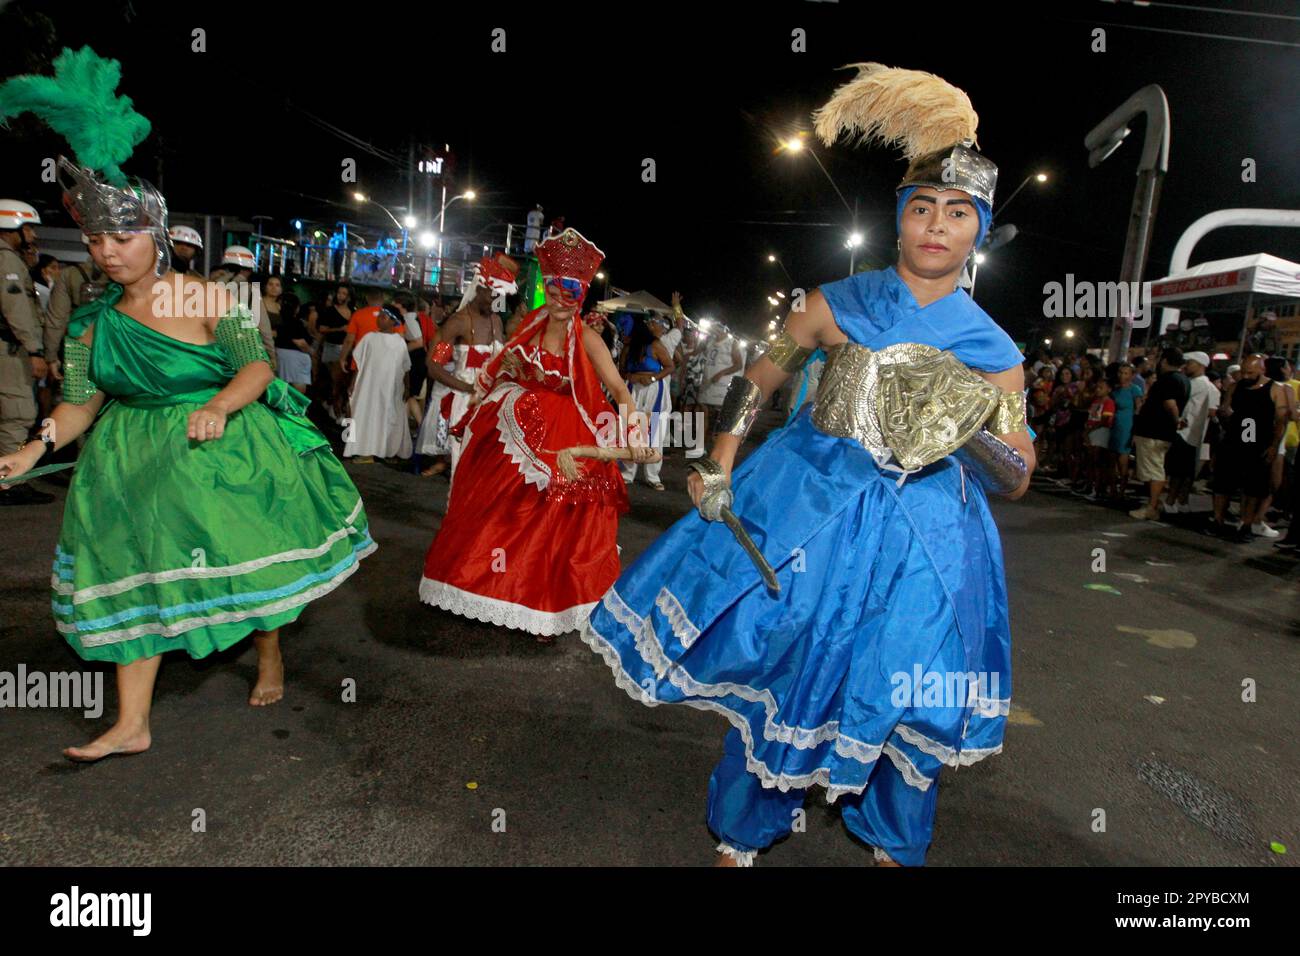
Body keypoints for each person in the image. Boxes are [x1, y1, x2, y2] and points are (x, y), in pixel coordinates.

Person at [581, 63, 1034, 866]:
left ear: (978, 231)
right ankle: (746, 827)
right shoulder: (832, 303)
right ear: (898, 220)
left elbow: (1019, 471)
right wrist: (719, 464)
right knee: (790, 660)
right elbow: (757, 383)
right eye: (921, 207)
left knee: (905, 680)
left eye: (957, 213)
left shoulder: (995, 350)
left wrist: (960, 428)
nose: (936, 224)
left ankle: (892, 837)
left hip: (930, 534)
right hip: (812, 504)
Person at [0, 52, 375, 760]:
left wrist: (223, 407)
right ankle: (131, 724)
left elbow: (258, 366)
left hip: (218, 445)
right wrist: (36, 445)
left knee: (243, 563)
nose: (106, 253)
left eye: (122, 237)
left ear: (157, 234)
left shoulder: (208, 297)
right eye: (94, 240)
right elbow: (80, 404)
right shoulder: (89, 321)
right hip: (125, 461)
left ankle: (269, 653)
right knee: (124, 574)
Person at [419, 228, 651, 641]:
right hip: (518, 421)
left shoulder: (590, 338)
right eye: (555, 291)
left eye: (571, 293)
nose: (561, 300)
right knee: (504, 510)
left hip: (569, 428)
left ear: (580, 297)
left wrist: (632, 430)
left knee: (556, 517)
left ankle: (549, 608)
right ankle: (495, 589)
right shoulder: (527, 326)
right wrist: (476, 406)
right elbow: (502, 366)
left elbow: (617, 389)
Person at [423, 254, 515, 477]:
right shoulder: (458, 322)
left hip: (491, 404)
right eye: (494, 295)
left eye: (500, 297)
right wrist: (469, 389)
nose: (497, 302)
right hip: (464, 404)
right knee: (462, 467)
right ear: (481, 288)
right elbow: (433, 366)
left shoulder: (496, 320)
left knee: (486, 471)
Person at [0, 198, 51, 505]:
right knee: (18, 414)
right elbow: (16, 308)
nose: (32, 235)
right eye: (28, 228)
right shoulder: (7, 260)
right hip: (9, 349)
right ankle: (11, 483)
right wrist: (34, 350)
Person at [1210, 355, 1288, 539]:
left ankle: (1246, 523)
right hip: (1234, 441)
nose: (1245, 376)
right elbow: (1225, 408)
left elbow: (1281, 420)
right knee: (1223, 483)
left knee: (1254, 487)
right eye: (1243, 372)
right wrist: (1226, 416)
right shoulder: (1237, 386)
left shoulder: (1275, 389)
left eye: (1250, 372)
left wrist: (1274, 446)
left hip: (1258, 443)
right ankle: (1218, 520)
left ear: (1262, 370)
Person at [343, 306, 411, 463]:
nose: (379, 318)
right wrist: (353, 383)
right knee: (363, 414)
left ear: (393, 322)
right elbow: (359, 363)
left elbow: (406, 367)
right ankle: (364, 451)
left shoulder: (399, 342)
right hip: (367, 387)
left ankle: (386, 450)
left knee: (388, 417)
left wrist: (407, 387)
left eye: (383, 316)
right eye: (379, 315)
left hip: (390, 388)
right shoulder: (369, 338)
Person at [1128, 348, 1188, 521]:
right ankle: (1154, 503)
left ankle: (1151, 507)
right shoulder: (1183, 380)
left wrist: (1176, 419)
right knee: (1152, 469)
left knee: (1155, 470)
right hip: (1160, 431)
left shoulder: (1167, 380)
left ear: (1164, 361)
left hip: (1155, 431)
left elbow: (1170, 404)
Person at [620, 313, 676, 490]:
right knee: (631, 429)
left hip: (654, 391)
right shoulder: (628, 348)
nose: (624, 335)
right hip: (633, 390)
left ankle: (652, 476)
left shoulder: (655, 345)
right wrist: (631, 376)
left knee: (655, 430)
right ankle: (628, 473)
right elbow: (621, 371)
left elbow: (670, 366)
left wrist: (652, 378)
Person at [1163, 351, 1218, 514]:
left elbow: (1211, 412)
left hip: (1185, 432)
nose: (1186, 366)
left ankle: (1170, 502)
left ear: (1201, 365)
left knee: (1178, 472)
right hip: (1194, 434)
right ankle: (1181, 502)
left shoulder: (1196, 384)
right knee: (1186, 473)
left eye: (1190, 363)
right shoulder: (1209, 386)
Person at [1107, 362, 1143, 501]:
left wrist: (1136, 430)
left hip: (1127, 425)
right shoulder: (1114, 391)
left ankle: (1122, 490)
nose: (1122, 376)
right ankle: (1112, 489)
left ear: (1132, 375)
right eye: (1120, 373)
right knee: (1111, 459)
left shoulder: (1135, 389)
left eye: (1126, 373)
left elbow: (1138, 409)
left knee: (1123, 459)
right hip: (1114, 424)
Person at [273, 292, 313, 394]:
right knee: (298, 394)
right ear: (296, 308)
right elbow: (301, 343)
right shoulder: (296, 323)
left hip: (278, 355)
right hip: (296, 360)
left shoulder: (276, 320)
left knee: (280, 390)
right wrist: (312, 352)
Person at [1083, 375, 1115, 500]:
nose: (1098, 390)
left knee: (1097, 461)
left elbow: (1105, 420)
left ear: (1108, 389)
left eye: (1101, 388)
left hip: (1100, 432)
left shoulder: (1108, 402)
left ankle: (1098, 489)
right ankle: (1089, 485)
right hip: (1091, 431)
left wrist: (1090, 430)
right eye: (1097, 387)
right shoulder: (1095, 402)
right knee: (1090, 460)